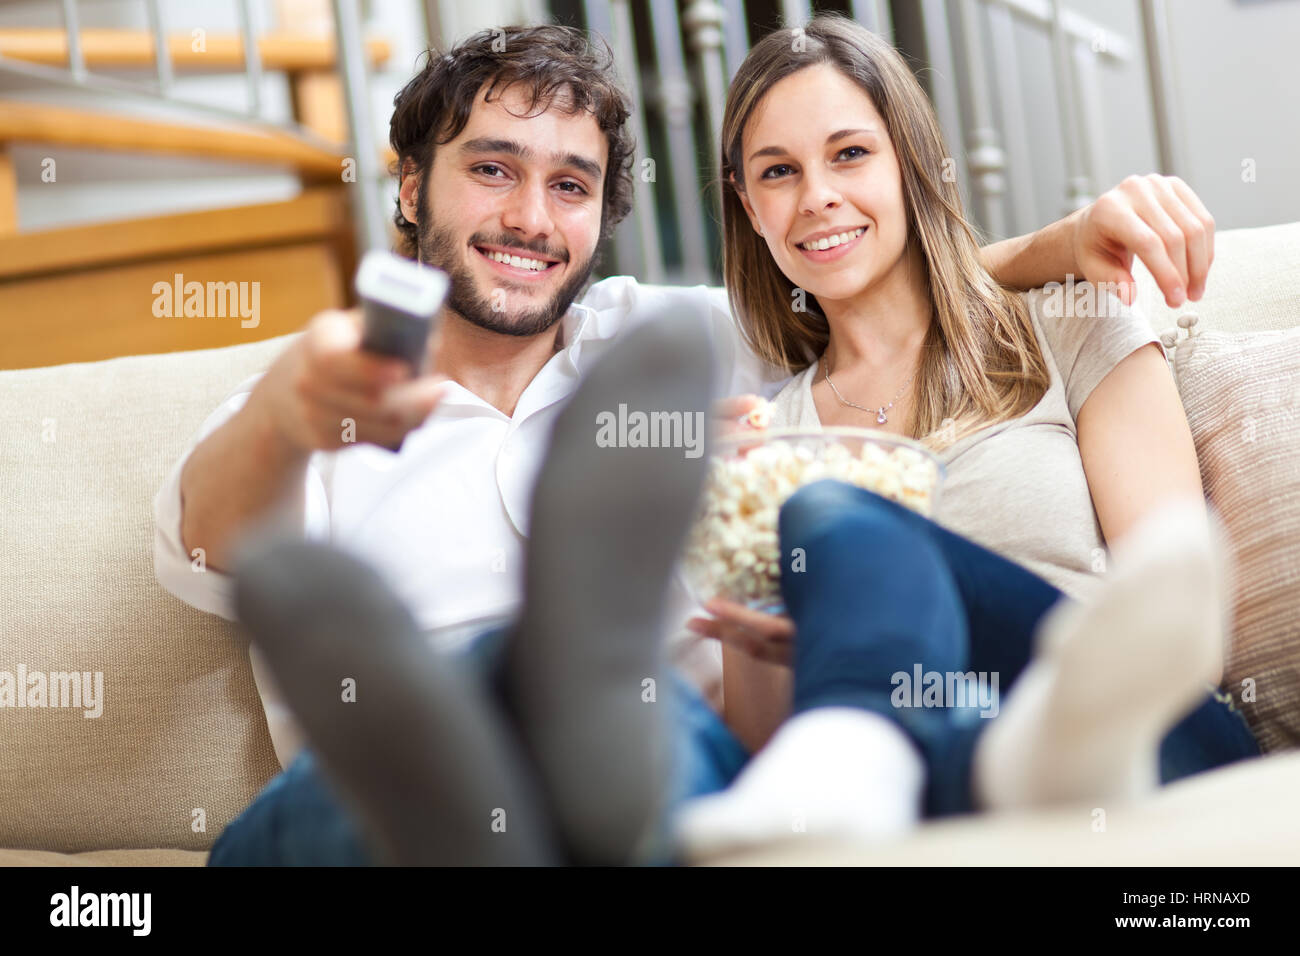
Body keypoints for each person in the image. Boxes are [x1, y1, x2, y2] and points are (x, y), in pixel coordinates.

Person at [153, 23, 1229, 865]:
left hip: (655, 747)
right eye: (490, 168)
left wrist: (1060, 244)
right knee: (389, 762)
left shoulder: (671, 344)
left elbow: (872, 282)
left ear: (602, 217)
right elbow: (213, 538)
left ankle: (555, 711)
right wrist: (289, 409)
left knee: (674, 672)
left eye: (569, 184)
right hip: (385, 768)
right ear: (407, 184)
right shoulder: (314, 396)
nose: (530, 214)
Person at [669, 13, 1256, 855]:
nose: (817, 197)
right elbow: (775, 758)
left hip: (1155, 735)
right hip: (930, 771)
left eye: (850, 153)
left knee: (837, 510)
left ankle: (1036, 742)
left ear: (910, 162)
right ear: (748, 205)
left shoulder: (1070, 319)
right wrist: (756, 609)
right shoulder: (778, 434)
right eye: (777, 172)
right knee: (850, 577)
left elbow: (1179, 607)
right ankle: (996, 760)